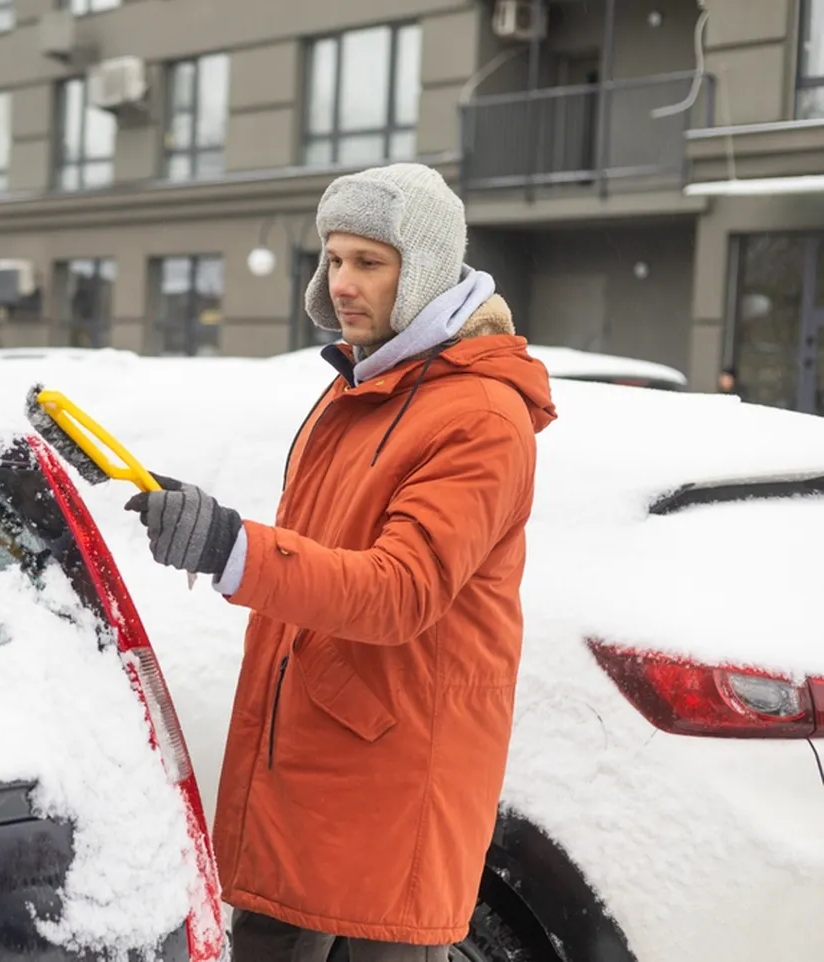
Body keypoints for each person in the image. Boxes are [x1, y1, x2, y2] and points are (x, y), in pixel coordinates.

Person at [124, 163, 558, 962]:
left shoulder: (482, 415)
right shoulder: (363, 382)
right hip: (311, 760)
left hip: (394, 784)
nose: (343, 282)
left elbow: (402, 590)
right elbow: (323, 551)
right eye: (333, 258)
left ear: (422, 271)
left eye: (369, 262)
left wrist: (231, 549)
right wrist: (207, 524)